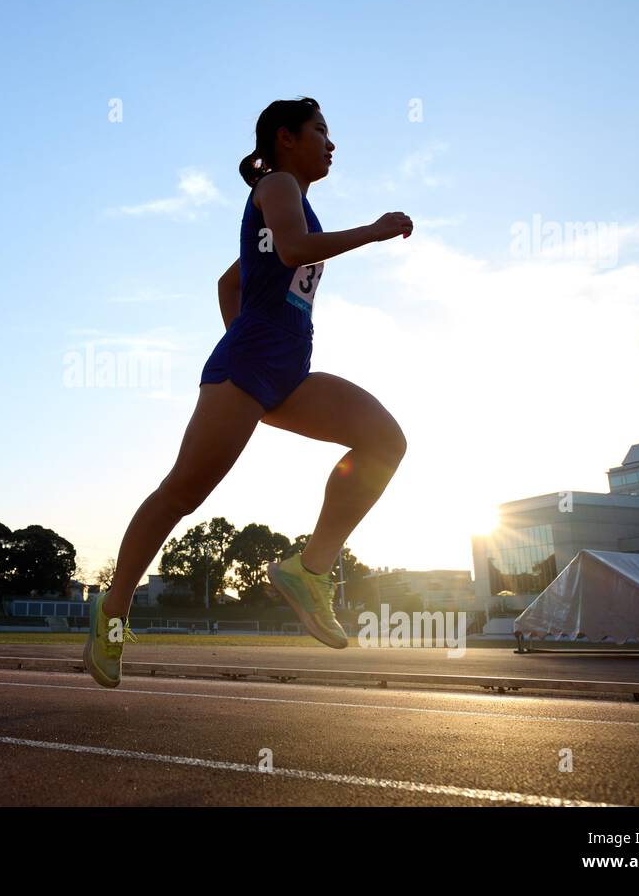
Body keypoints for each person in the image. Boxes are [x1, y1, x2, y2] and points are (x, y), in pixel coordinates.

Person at [84, 98, 411, 689]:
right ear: (285, 139)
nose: (332, 144)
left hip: (288, 369)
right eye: (321, 132)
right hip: (248, 367)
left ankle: (308, 570)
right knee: (184, 491)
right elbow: (291, 251)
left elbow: (230, 279)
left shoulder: (296, 200)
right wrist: (373, 231)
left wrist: (247, 332)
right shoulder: (279, 183)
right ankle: (113, 610)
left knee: (384, 441)